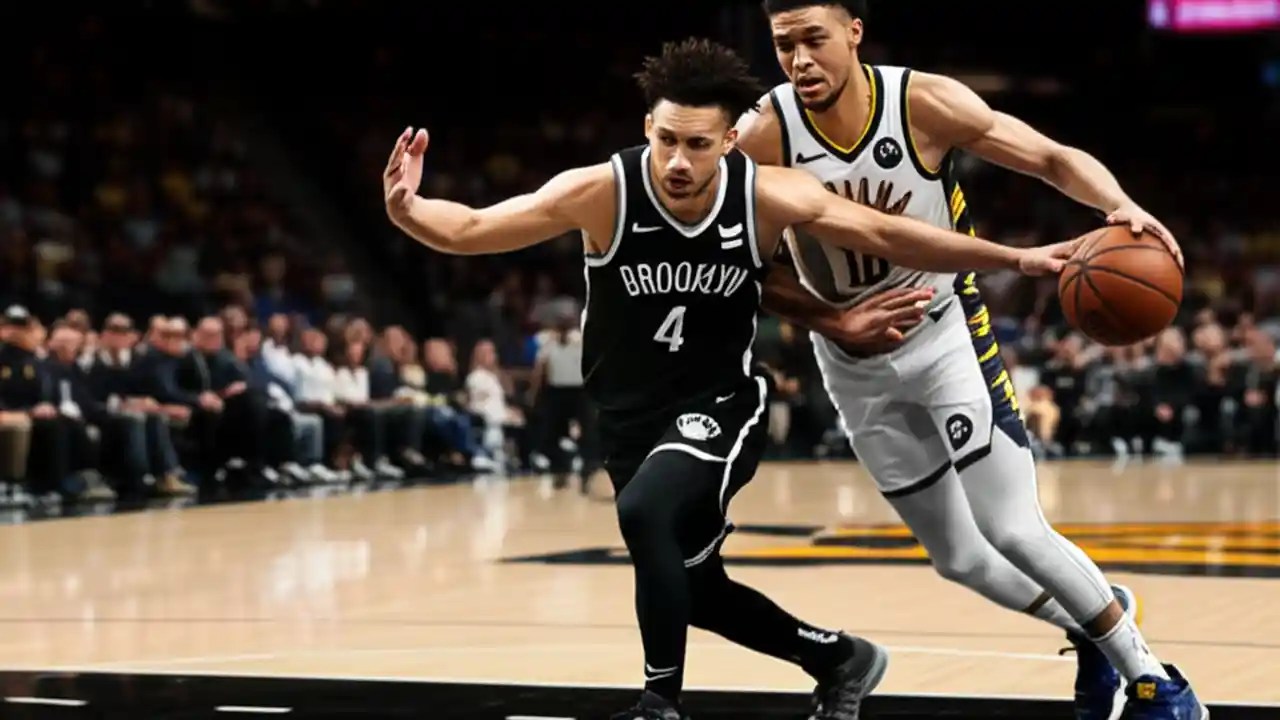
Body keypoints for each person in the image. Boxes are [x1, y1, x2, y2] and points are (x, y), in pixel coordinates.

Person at [382, 37, 1076, 720]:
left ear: (729, 142)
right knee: (696, 589)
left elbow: (885, 234)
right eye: (666, 141)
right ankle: (841, 659)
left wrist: (1012, 260)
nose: (678, 162)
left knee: (643, 514)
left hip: (721, 404)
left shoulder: (766, 194)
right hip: (629, 419)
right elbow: (471, 227)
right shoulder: (602, 193)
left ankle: (658, 704)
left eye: (698, 145)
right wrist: (408, 208)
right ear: (646, 128)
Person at [733, 2, 1204, 719]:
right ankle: (1095, 616)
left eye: (814, 40)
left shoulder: (922, 103)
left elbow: (1050, 157)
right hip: (849, 357)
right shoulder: (763, 135)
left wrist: (1121, 206)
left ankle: (1156, 683)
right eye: (783, 44)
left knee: (1012, 528)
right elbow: (739, 262)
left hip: (945, 334)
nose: (799, 61)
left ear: (854, 32)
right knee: (958, 559)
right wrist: (833, 320)